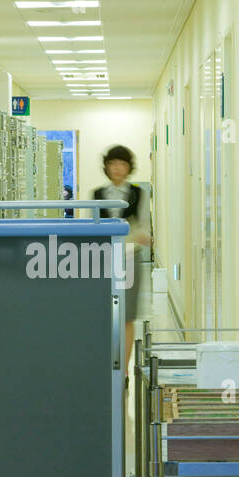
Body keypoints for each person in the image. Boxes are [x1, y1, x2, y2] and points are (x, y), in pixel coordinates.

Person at [92, 145, 152, 383]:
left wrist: (130, 235)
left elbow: (143, 230)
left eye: (122, 164)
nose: (117, 168)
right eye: (113, 164)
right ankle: (106, 363)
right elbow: (94, 229)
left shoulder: (138, 194)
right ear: (107, 167)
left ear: (129, 168)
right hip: (103, 257)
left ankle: (124, 370)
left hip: (129, 258)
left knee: (127, 315)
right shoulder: (97, 195)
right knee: (104, 313)